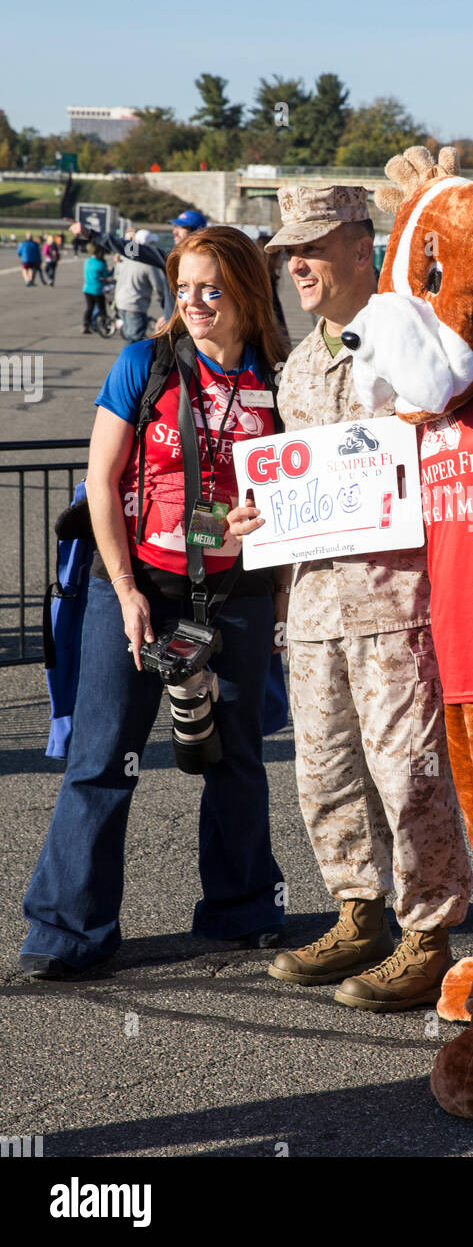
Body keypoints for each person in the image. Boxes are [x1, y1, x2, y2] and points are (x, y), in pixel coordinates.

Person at [229, 184, 473, 1012]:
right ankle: (359, 912)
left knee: (409, 776)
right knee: (323, 773)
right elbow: (290, 480)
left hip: (401, 602)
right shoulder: (297, 366)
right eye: (289, 254)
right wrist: (255, 518)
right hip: (316, 606)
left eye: (313, 248)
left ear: (363, 247)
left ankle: (428, 934)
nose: (298, 266)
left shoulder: (413, 340)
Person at [20, 226, 291, 979]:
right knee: (104, 759)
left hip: (235, 594)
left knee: (235, 758)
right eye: (185, 289)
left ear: (247, 292)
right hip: (132, 586)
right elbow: (101, 484)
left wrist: (280, 600)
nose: (196, 303)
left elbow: (296, 494)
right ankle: (68, 929)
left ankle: (242, 909)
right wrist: (129, 590)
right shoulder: (145, 363)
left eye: (213, 288)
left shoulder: (282, 376)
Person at [114, 229, 172, 342]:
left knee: (129, 336)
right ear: (148, 244)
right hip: (135, 304)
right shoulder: (148, 264)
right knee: (134, 340)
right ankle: (127, 360)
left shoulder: (125, 257)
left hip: (121, 301)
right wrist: (166, 305)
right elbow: (158, 286)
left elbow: (116, 276)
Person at [81, 243, 110, 334]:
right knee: (102, 309)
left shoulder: (87, 261)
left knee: (89, 308)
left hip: (87, 288)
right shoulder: (101, 263)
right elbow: (106, 274)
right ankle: (105, 326)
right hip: (97, 289)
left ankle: (86, 325)